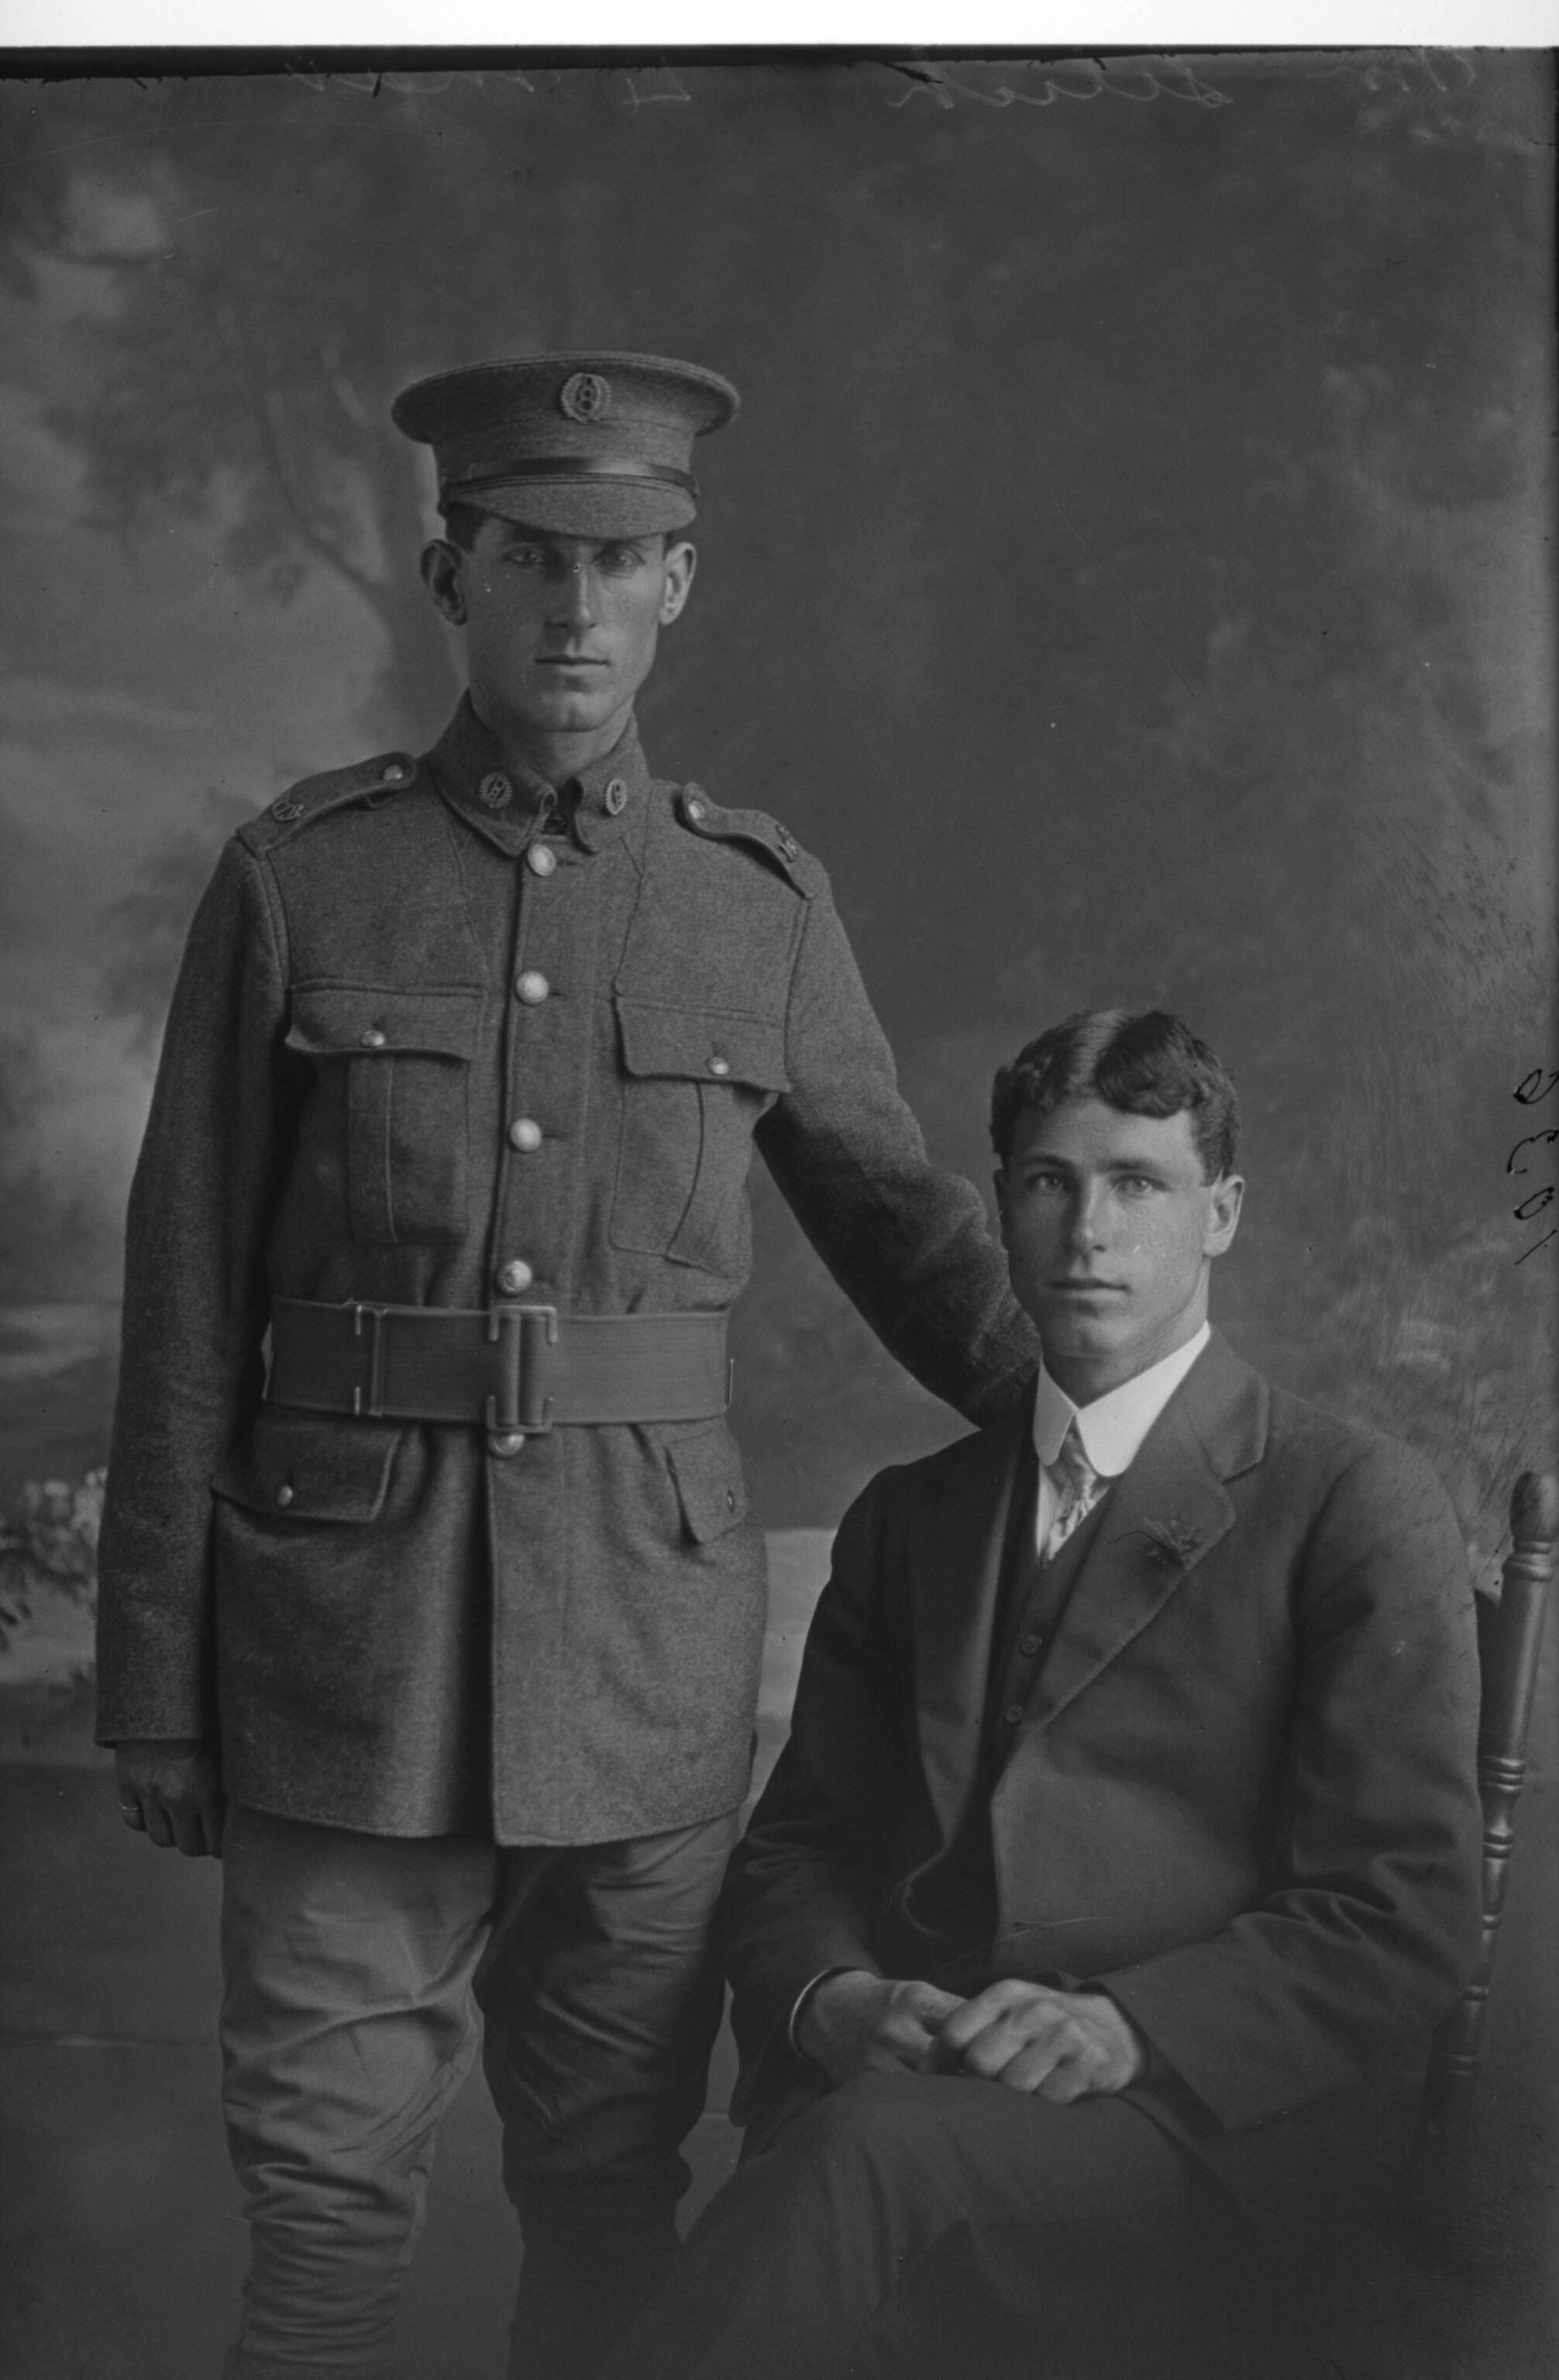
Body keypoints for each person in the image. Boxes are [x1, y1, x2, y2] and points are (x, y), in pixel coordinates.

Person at [93, 351, 1038, 2380]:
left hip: (642, 1661)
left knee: (611, 2193)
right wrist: (153, 1685)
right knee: (326, 2208)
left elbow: (904, 1225)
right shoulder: (302, 882)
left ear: (684, 581)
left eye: (627, 559)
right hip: (341, 1656)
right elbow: (182, 1296)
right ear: (454, 570)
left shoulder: (751, 903)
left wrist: (1115, 1436)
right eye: (536, 555)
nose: (581, 607)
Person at [597, 1006, 1483, 2380]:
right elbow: (804, 1843)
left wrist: (1132, 2028)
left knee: (859, 2167)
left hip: (1209, 2124)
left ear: (1223, 1214)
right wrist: (832, 1996)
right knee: (851, 2154)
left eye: (1141, 1185)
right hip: (931, 2083)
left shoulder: (1350, 1501)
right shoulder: (910, 1518)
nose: (1089, 1232)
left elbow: (1405, 1909)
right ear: (1002, 1207)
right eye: (1049, 1183)